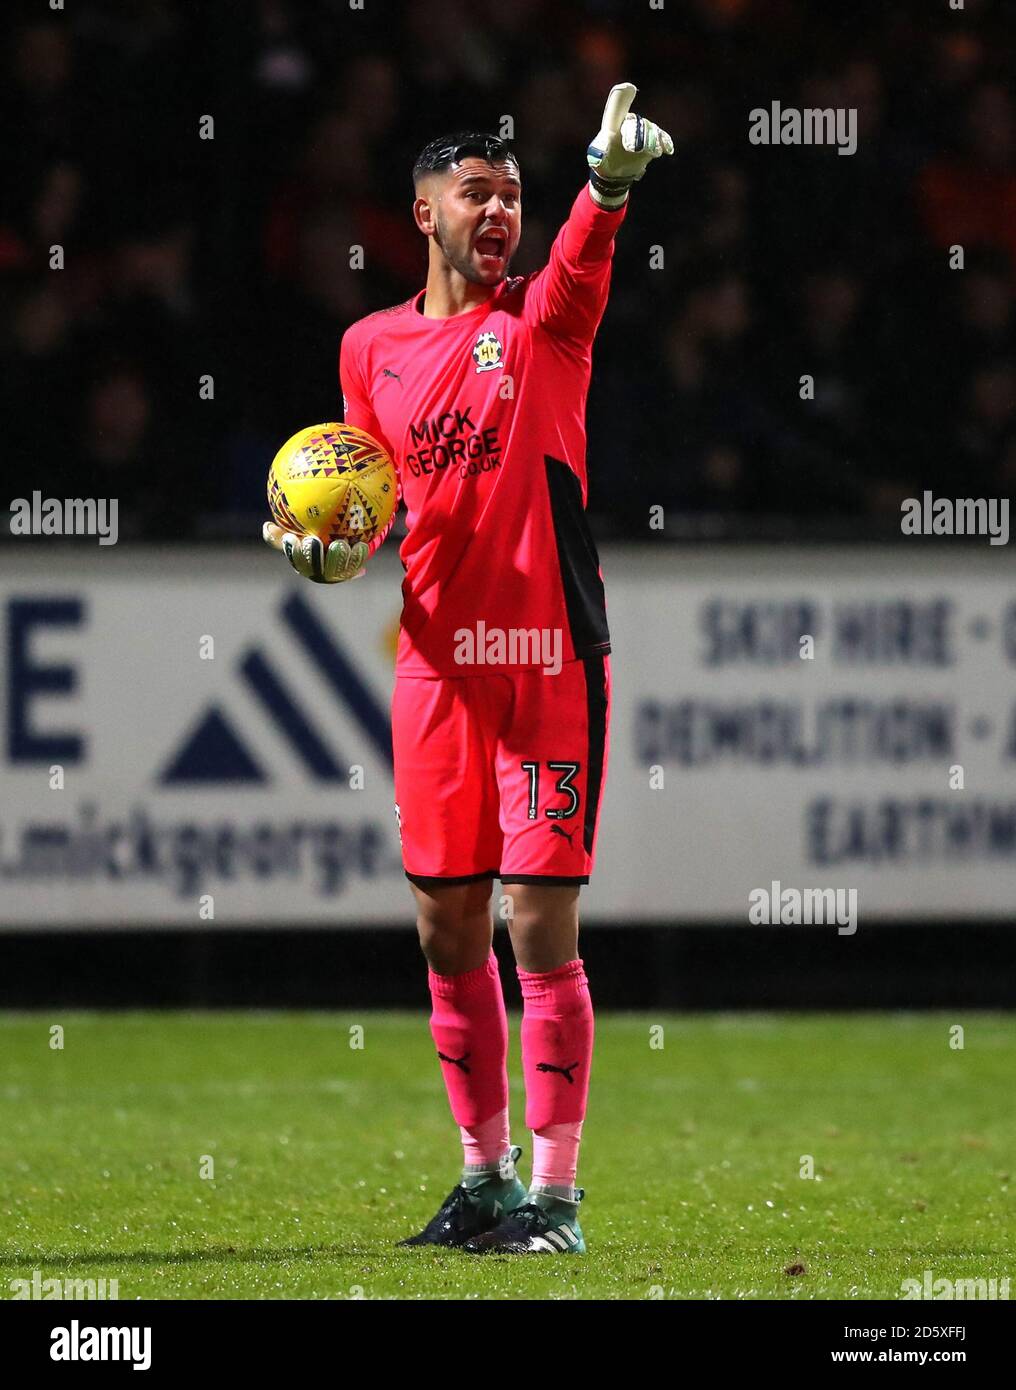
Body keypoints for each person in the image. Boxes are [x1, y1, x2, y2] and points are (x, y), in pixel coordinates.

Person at [264, 84, 671, 1254]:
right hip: (436, 669)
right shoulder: (368, 349)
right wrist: (325, 548)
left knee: (539, 929)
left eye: (512, 195)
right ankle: (483, 1178)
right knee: (449, 934)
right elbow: (383, 509)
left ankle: (557, 1201)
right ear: (422, 212)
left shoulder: (545, 324)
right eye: (475, 192)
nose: (498, 209)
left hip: (546, 663)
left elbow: (583, 262)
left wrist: (602, 189)